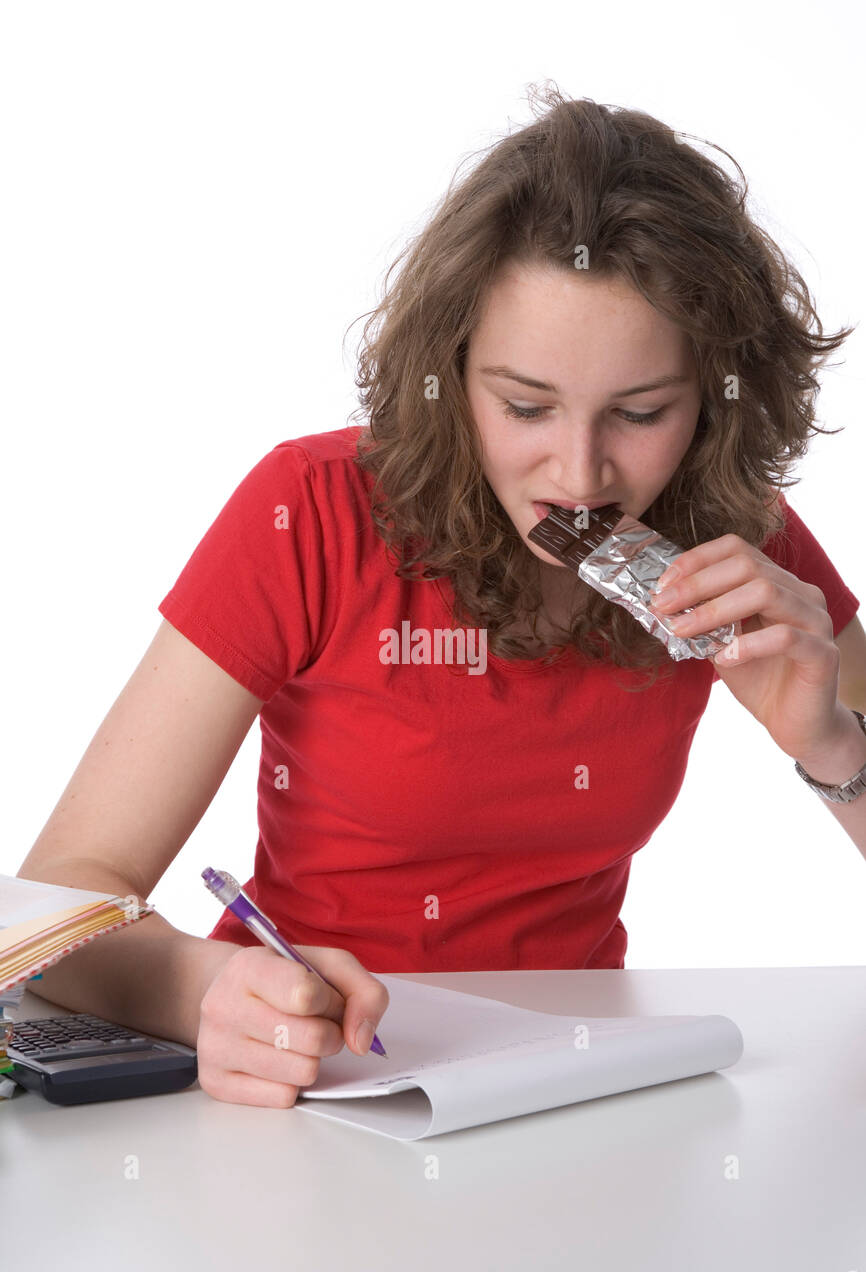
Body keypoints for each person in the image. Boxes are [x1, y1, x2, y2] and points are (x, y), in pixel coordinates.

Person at [19, 87, 866, 1110]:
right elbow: (57, 903)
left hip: (578, 1084)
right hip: (311, 1085)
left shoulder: (733, 540)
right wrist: (209, 990)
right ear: (450, 373)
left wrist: (829, 746)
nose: (579, 472)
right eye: (523, 405)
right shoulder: (310, 510)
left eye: (639, 412)